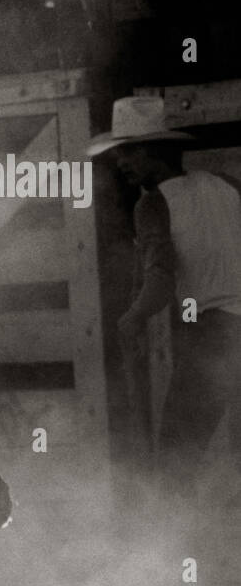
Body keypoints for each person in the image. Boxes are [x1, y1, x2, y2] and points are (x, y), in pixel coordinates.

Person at [89, 96, 241, 501]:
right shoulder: (226, 184)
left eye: (129, 151)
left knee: (177, 456)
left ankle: (176, 549)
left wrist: (131, 319)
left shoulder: (153, 205)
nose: (121, 162)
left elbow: (159, 282)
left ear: (156, 151)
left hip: (218, 335)